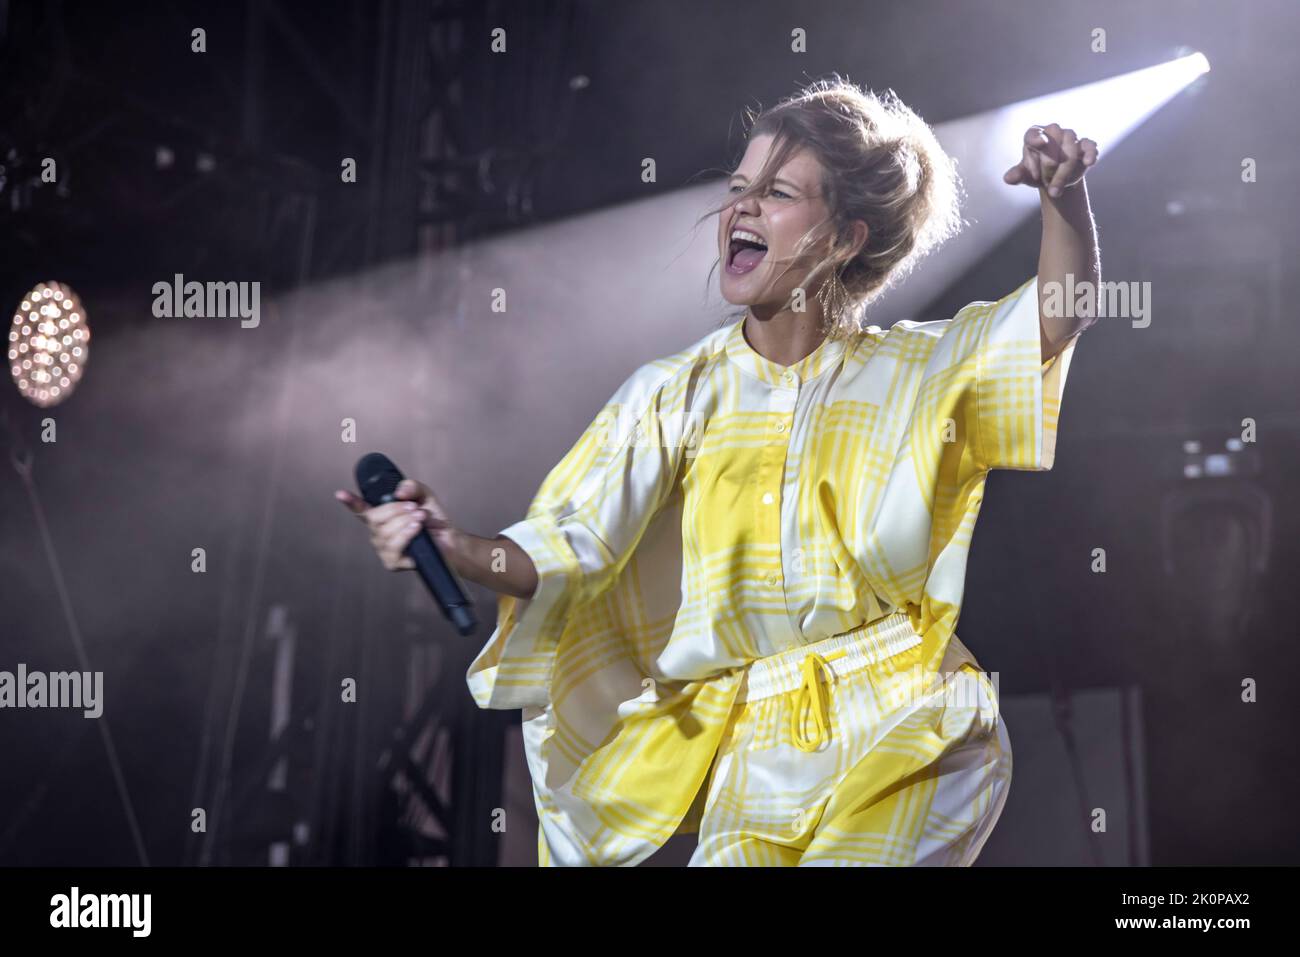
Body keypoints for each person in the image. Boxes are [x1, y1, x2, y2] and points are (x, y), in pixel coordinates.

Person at [336, 77, 1100, 866]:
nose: (740, 209)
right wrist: (452, 543)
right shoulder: (671, 395)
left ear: (843, 238)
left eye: (775, 193)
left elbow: (1055, 315)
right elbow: (568, 546)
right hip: (755, 751)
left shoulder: (918, 369)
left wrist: (1064, 201)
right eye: (738, 189)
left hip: (907, 723)